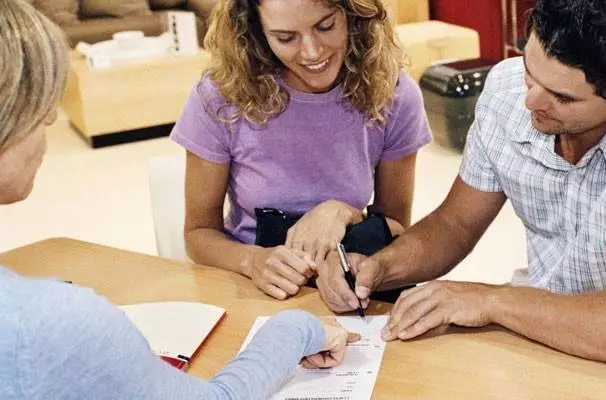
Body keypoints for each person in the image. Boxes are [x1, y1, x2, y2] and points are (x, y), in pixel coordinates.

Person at [320, 0, 606, 377]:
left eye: (562, 97)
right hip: (538, 348)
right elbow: (456, 225)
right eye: (530, 70)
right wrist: (381, 268)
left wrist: (493, 301)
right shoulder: (506, 90)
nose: (531, 100)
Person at [0, 1, 358, 398]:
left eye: (325, 26)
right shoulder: (53, 321)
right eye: (37, 106)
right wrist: (299, 327)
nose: (51, 119)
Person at [171, 0, 431, 303]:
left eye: (325, 26)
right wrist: (252, 261)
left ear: (353, 14)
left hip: (352, 283)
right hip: (251, 288)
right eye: (285, 38)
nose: (311, 52)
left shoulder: (393, 92)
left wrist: (345, 213)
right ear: (255, 31)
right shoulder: (220, 96)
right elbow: (198, 233)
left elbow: (397, 229)